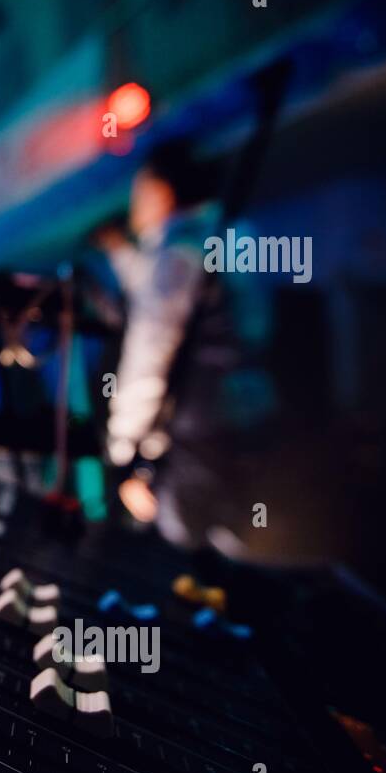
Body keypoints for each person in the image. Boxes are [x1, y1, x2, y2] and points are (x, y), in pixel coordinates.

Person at [93, 140, 253, 553]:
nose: (133, 209)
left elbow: (150, 350)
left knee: (187, 533)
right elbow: (157, 290)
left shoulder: (176, 254)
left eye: (138, 194)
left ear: (160, 192)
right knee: (232, 527)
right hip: (237, 407)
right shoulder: (219, 233)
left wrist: (124, 445)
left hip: (197, 423)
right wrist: (120, 252)